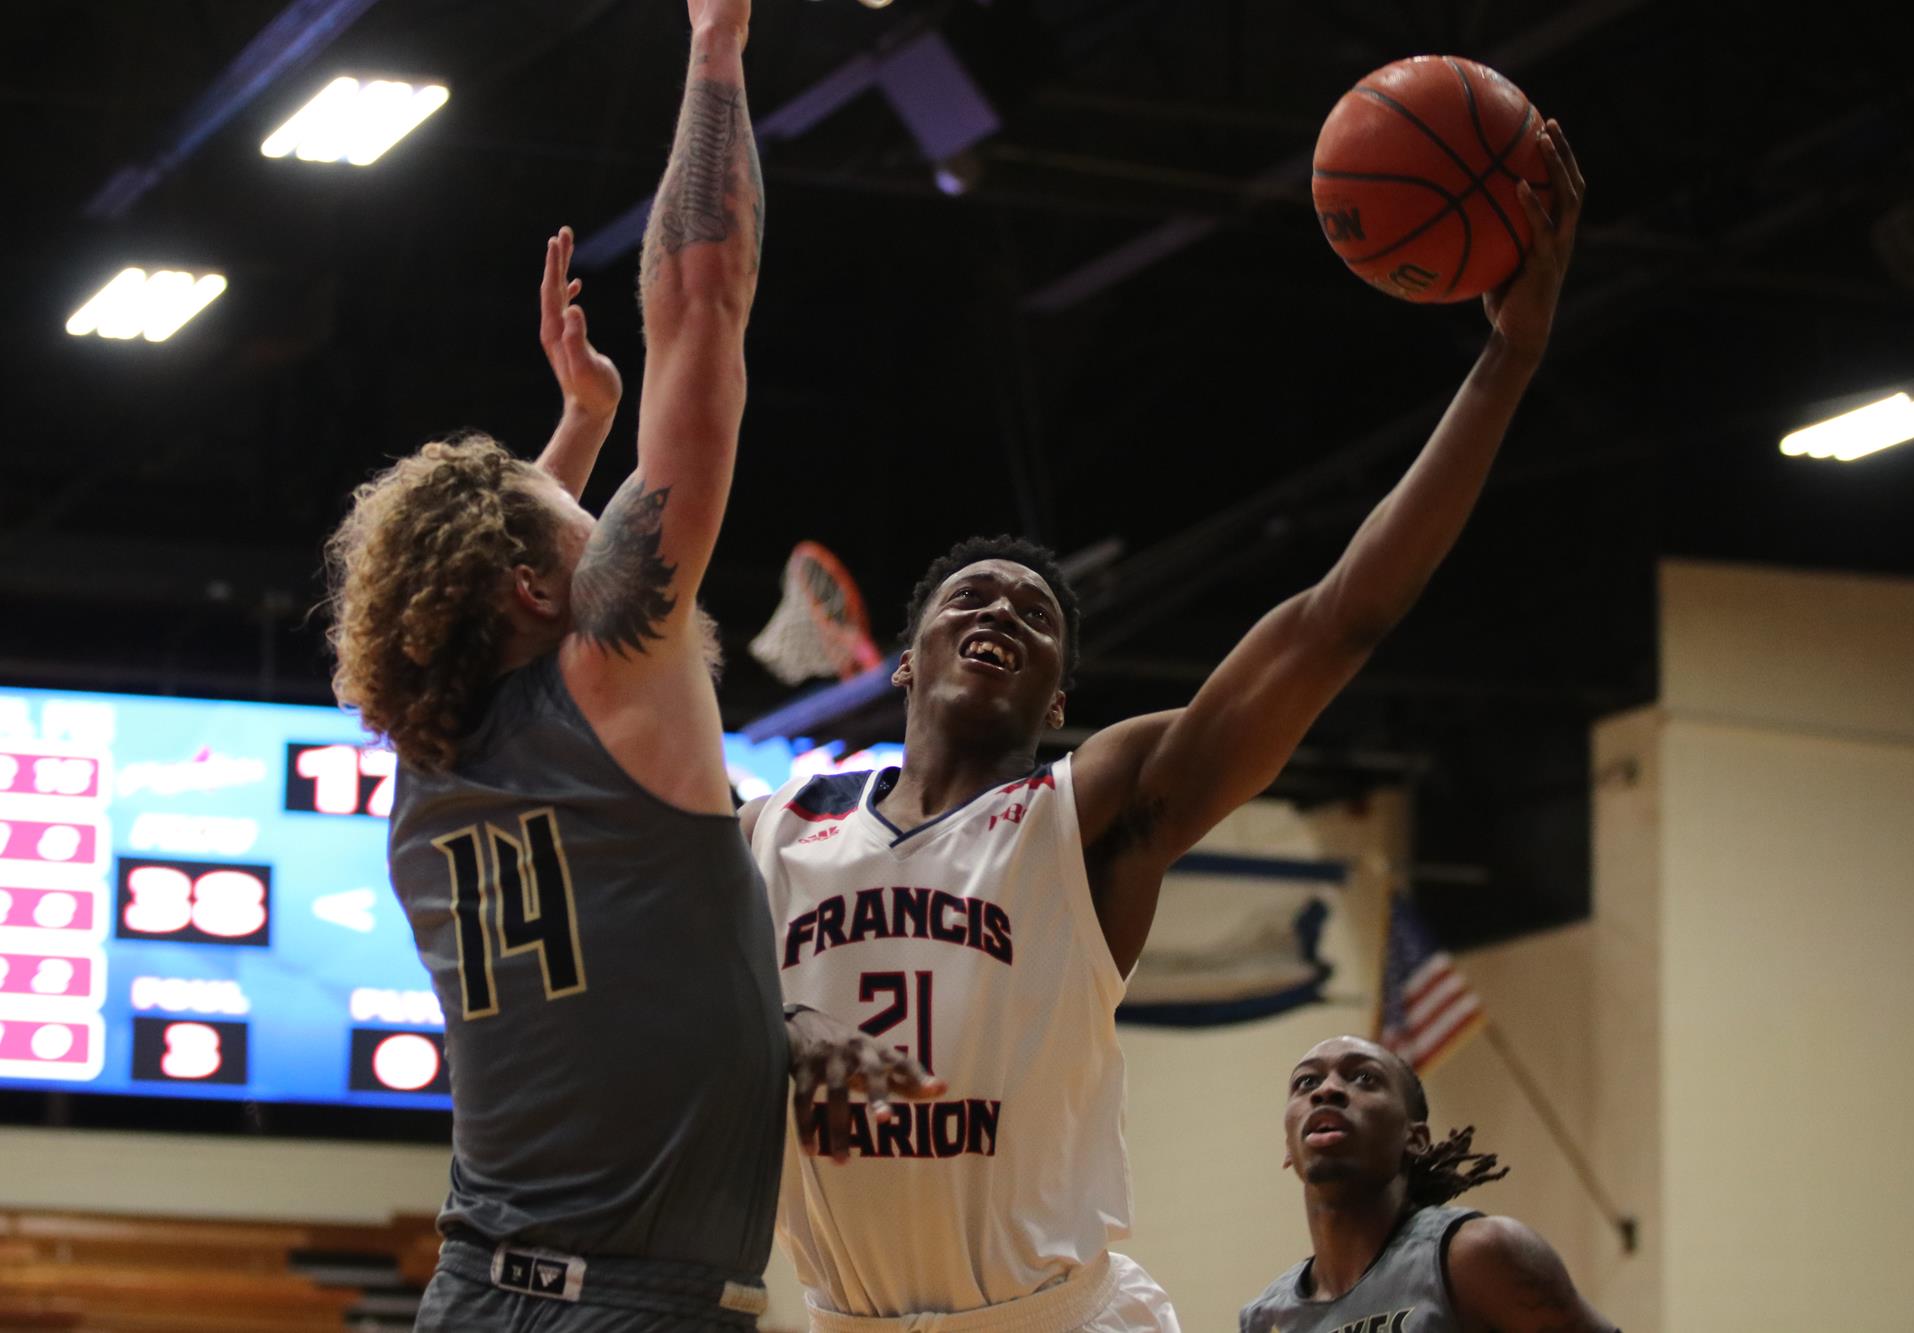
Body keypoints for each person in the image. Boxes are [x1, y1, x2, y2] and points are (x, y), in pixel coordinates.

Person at [741, 124, 1587, 1331]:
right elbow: (663, 988)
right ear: (906, 664)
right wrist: (781, 1025)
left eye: (1034, 616)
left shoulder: (1085, 812)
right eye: (967, 598)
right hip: (844, 1314)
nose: (998, 612)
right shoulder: (780, 827)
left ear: (1059, 700)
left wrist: (1504, 358)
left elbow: (1332, 624)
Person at [324, 4, 938, 1327]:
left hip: (482, 1289)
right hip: (627, 1306)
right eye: (582, 528)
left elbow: (488, 595)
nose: (612, 536)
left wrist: (578, 427)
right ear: (547, 590)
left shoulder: (426, 781)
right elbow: (701, 299)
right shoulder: (611, 677)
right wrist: (715, 52)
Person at [1241, 1035, 1616, 1332]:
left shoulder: (1478, 1255)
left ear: (1415, 1138)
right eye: (1306, 1082)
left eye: (1363, 1078)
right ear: (1289, 1147)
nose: (1327, 1090)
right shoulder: (1265, 1317)